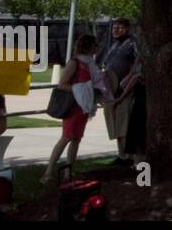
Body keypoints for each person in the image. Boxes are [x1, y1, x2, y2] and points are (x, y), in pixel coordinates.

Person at [42, 34, 98, 184]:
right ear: (88, 46)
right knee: (66, 137)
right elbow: (61, 84)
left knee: (77, 139)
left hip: (83, 107)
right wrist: (81, 89)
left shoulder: (91, 63)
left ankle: (68, 173)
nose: (97, 48)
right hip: (73, 106)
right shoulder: (75, 62)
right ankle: (48, 172)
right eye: (95, 44)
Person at [98, 17, 138, 165]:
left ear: (128, 29)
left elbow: (139, 63)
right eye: (114, 27)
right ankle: (121, 155)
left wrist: (129, 77)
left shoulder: (133, 43)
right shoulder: (113, 45)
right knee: (114, 124)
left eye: (120, 27)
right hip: (110, 92)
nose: (116, 30)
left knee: (124, 124)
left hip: (126, 92)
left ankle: (129, 157)